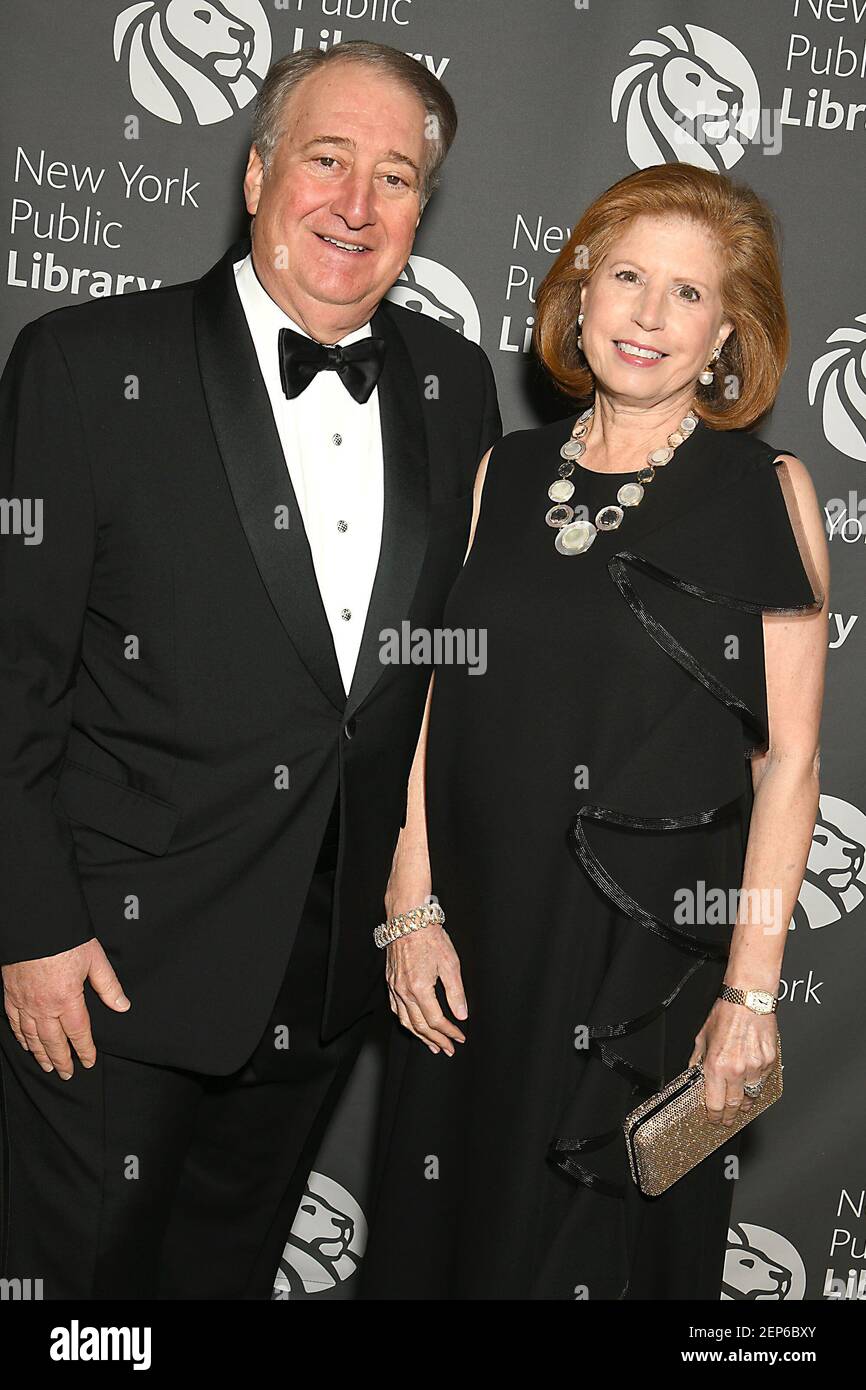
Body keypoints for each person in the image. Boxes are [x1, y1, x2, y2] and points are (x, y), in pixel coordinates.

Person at [0, 40, 501, 1299]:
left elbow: (436, 674)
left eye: (394, 178)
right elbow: (12, 676)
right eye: (327, 159)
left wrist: (406, 901)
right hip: (109, 964)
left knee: (216, 1281)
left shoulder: (453, 387)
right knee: (85, 1297)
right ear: (257, 170)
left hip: (323, 973)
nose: (355, 204)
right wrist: (32, 929)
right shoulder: (81, 364)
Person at [360, 164, 829, 1300]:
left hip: (647, 969)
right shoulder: (502, 471)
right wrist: (408, 908)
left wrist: (749, 995)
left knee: (597, 1260)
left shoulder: (766, 488)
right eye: (626, 277)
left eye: (685, 294)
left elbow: (789, 764)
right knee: (446, 1241)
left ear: (727, 332)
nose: (647, 316)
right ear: (579, 294)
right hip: (470, 948)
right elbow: (433, 699)